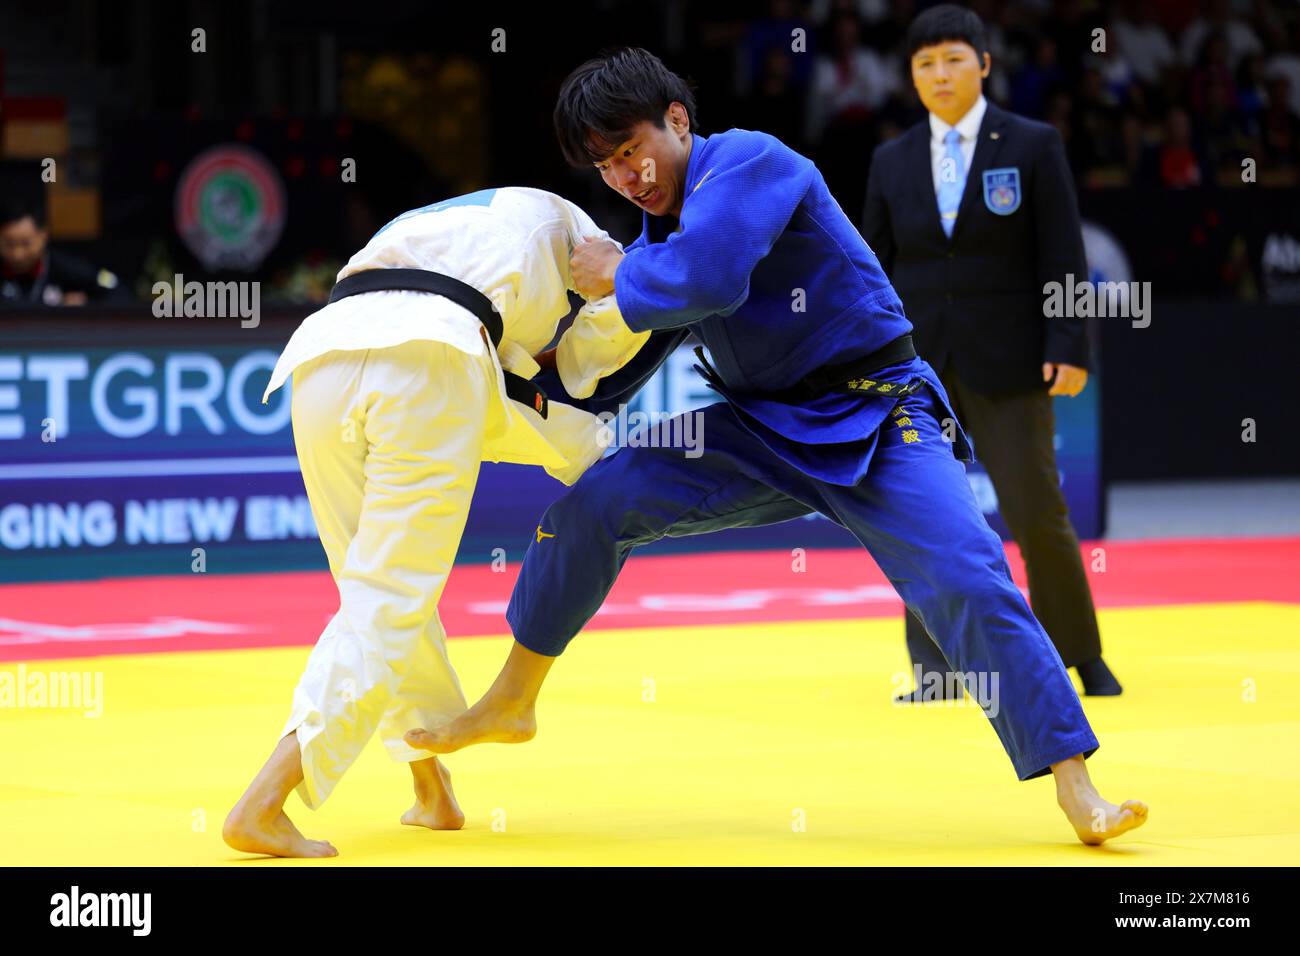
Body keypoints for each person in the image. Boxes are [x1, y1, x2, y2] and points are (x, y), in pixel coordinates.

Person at [406, 48, 1148, 846]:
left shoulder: (752, 161)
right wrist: (518, 377)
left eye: (631, 149)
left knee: (965, 571)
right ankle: (514, 700)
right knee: (593, 505)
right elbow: (631, 353)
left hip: (877, 413)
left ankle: (1078, 786)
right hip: (762, 428)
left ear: (678, 122)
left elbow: (709, 279)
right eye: (605, 166)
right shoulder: (663, 232)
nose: (626, 175)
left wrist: (620, 268)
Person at [222, 187, 628, 858]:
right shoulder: (593, 253)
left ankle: (430, 785)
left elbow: (516, 387)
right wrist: (591, 450)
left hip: (322, 354)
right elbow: (585, 367)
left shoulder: (463, 216)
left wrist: (574, 441)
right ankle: (265, 799)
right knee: (388, 599)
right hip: (429, 360)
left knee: (375, 594)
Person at [863, 5, 1122, 700]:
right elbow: (875, 270)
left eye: (952, 59)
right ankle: (937, 668)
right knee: (924, 519)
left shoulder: (1032, 145)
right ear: (911, 78)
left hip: (1011, 362)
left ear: (984, 63)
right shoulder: (891, 160)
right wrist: (867, 361)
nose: (939, 74)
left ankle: (1081, 657)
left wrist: (1069, 344)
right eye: (924, 64)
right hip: (919, 371)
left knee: (1038, 510)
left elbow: (1062, 253)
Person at [0, 200, 126, 305]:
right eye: (8, 244)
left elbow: (115, 288)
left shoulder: (69, 268)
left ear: (43, 235)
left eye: (26, 243)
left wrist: (87, 304)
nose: (17, 254)